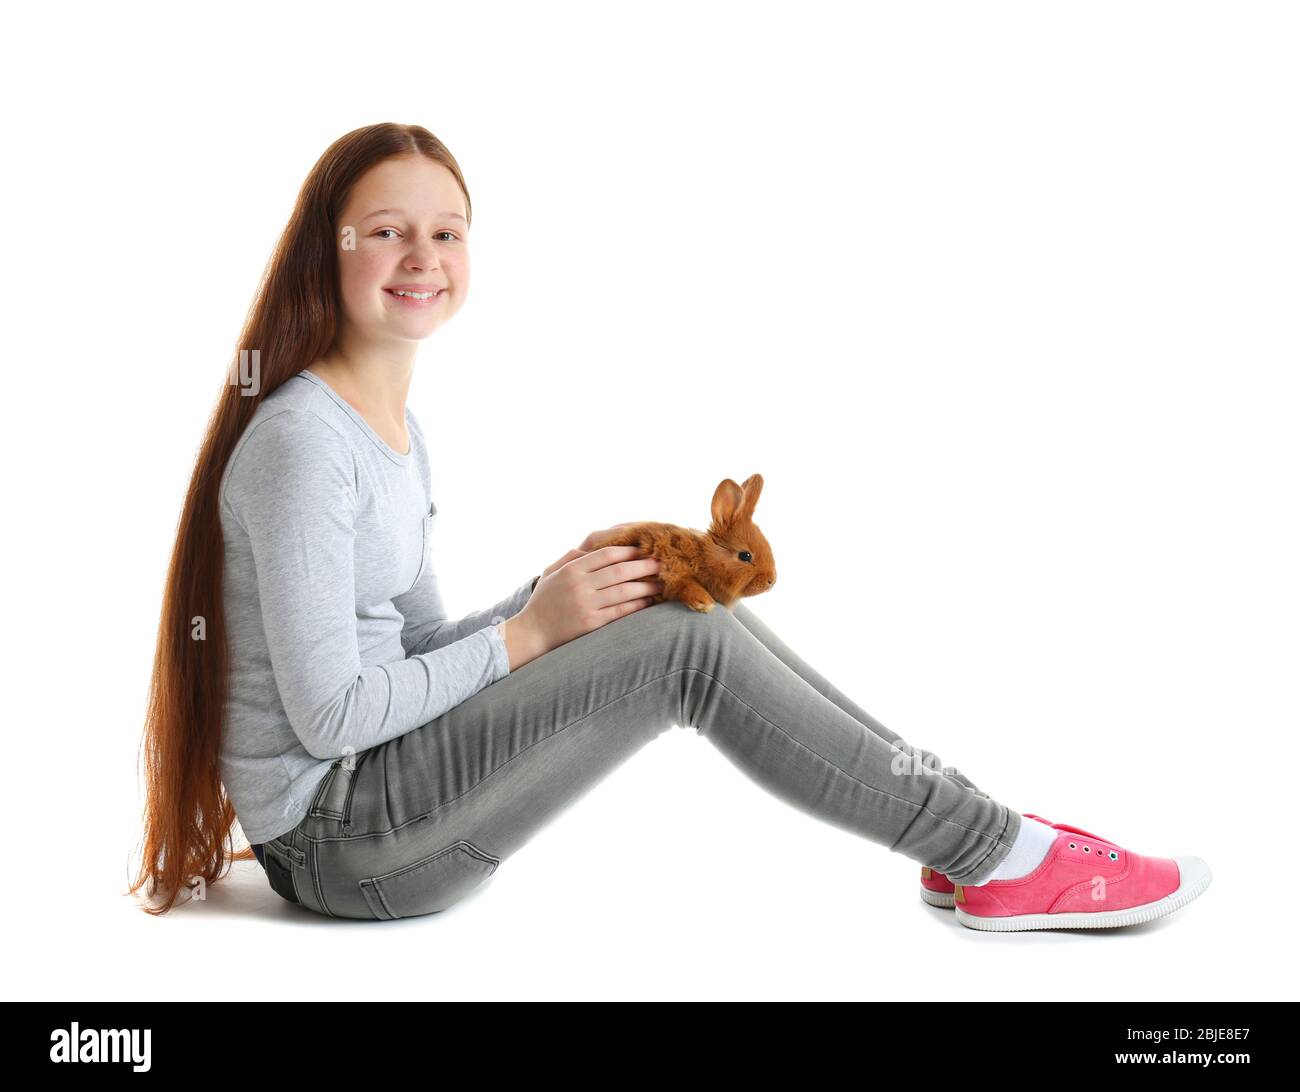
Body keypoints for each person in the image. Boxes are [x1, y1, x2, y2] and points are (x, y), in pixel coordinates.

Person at [130, 122, 1211, 930]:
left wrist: (550, 595)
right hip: (341, 845)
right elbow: (331, 716)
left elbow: (406, 652)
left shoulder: (392, 428)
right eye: (387, 231)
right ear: (329, 248)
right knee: (684, 646)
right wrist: (530, 635)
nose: (422, 256)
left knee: (666, 601)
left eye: (446, 232)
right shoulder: (302, 442)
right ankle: (995, 853)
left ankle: (972, 839)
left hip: (377, 802)